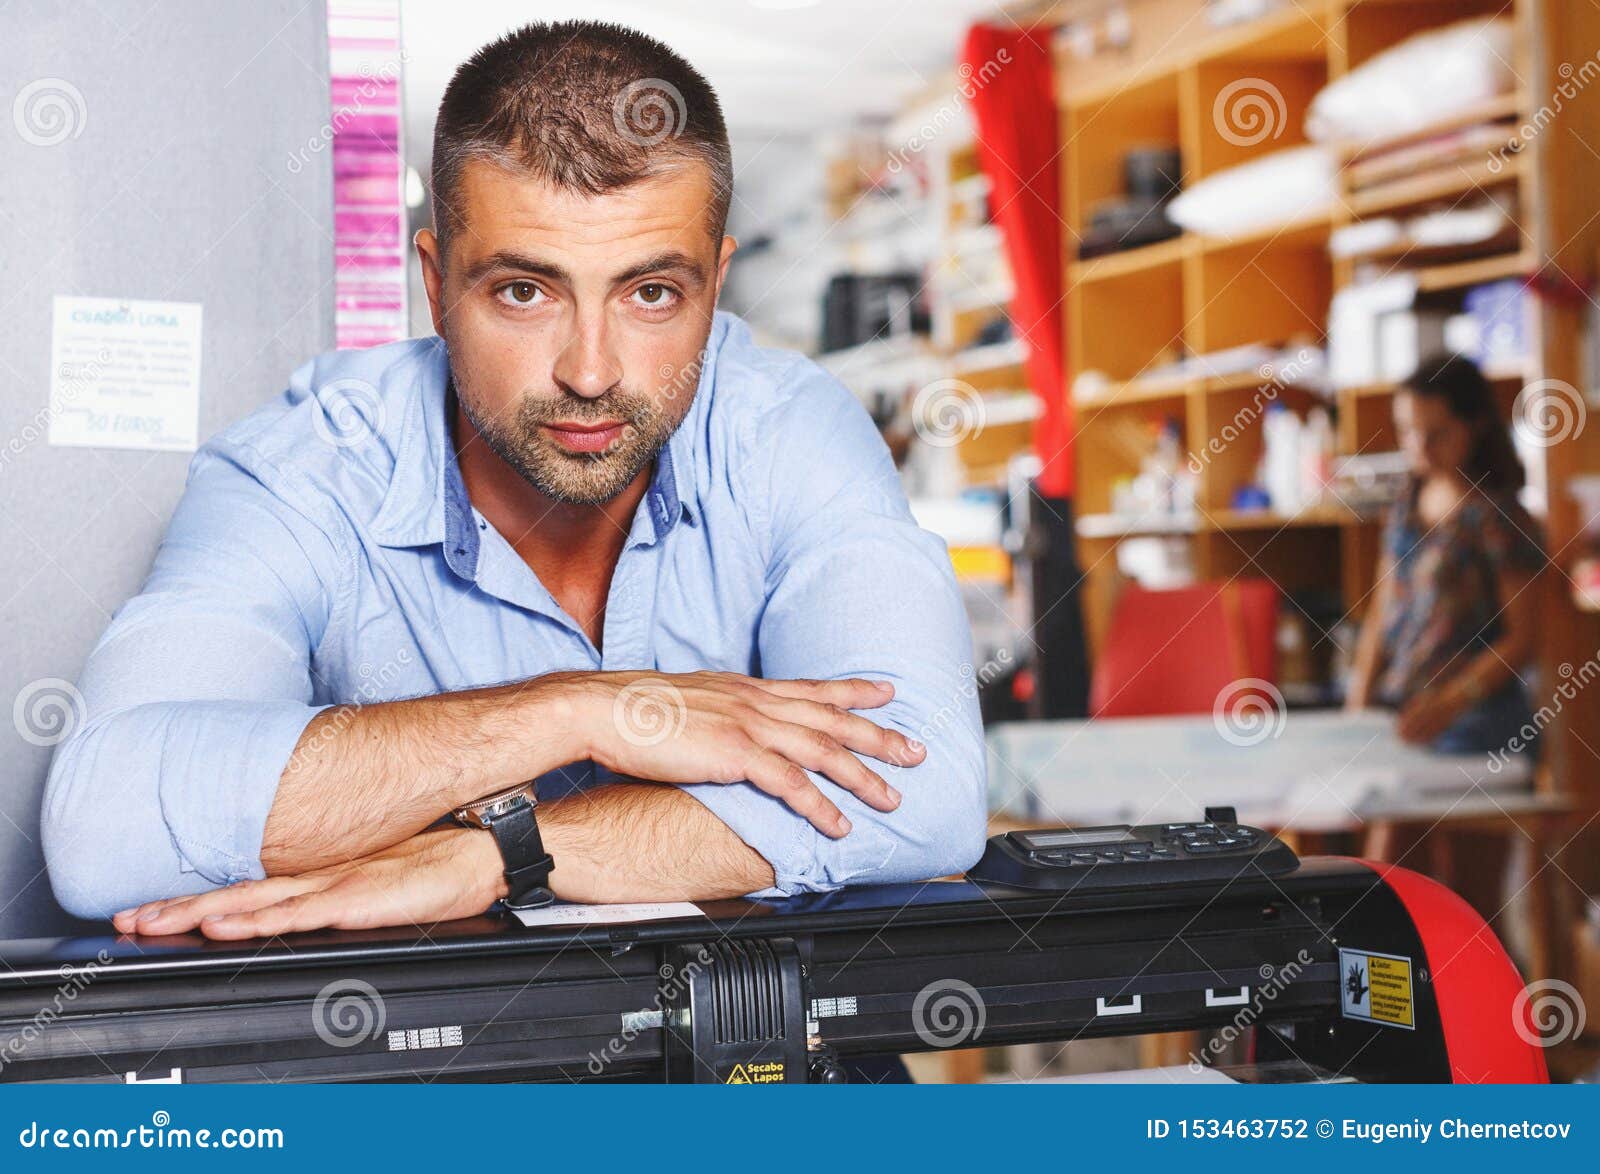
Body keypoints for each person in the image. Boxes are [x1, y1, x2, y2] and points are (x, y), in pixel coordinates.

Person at [41, 20, 986, 941]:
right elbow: (107, 827)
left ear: (714, 285)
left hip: (762, 1054)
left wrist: (499, 853)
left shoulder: (788, 431)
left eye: (652, 292)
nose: (589, 370)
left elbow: (927, 793)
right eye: (524, 292)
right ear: (436, 285)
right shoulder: (304, 470)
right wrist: (580, 707)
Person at [1346, 353, 1544, 753]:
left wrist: (1450, 703)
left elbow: (1523, 639)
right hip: (1403, 708)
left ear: (1475, 425)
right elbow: (1381, 613)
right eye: (1408, 432)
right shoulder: (1407, 503)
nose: (1420, 447)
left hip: (1475, 716)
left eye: (1436, 434)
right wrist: (1357, 706)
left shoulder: (1498, 516)